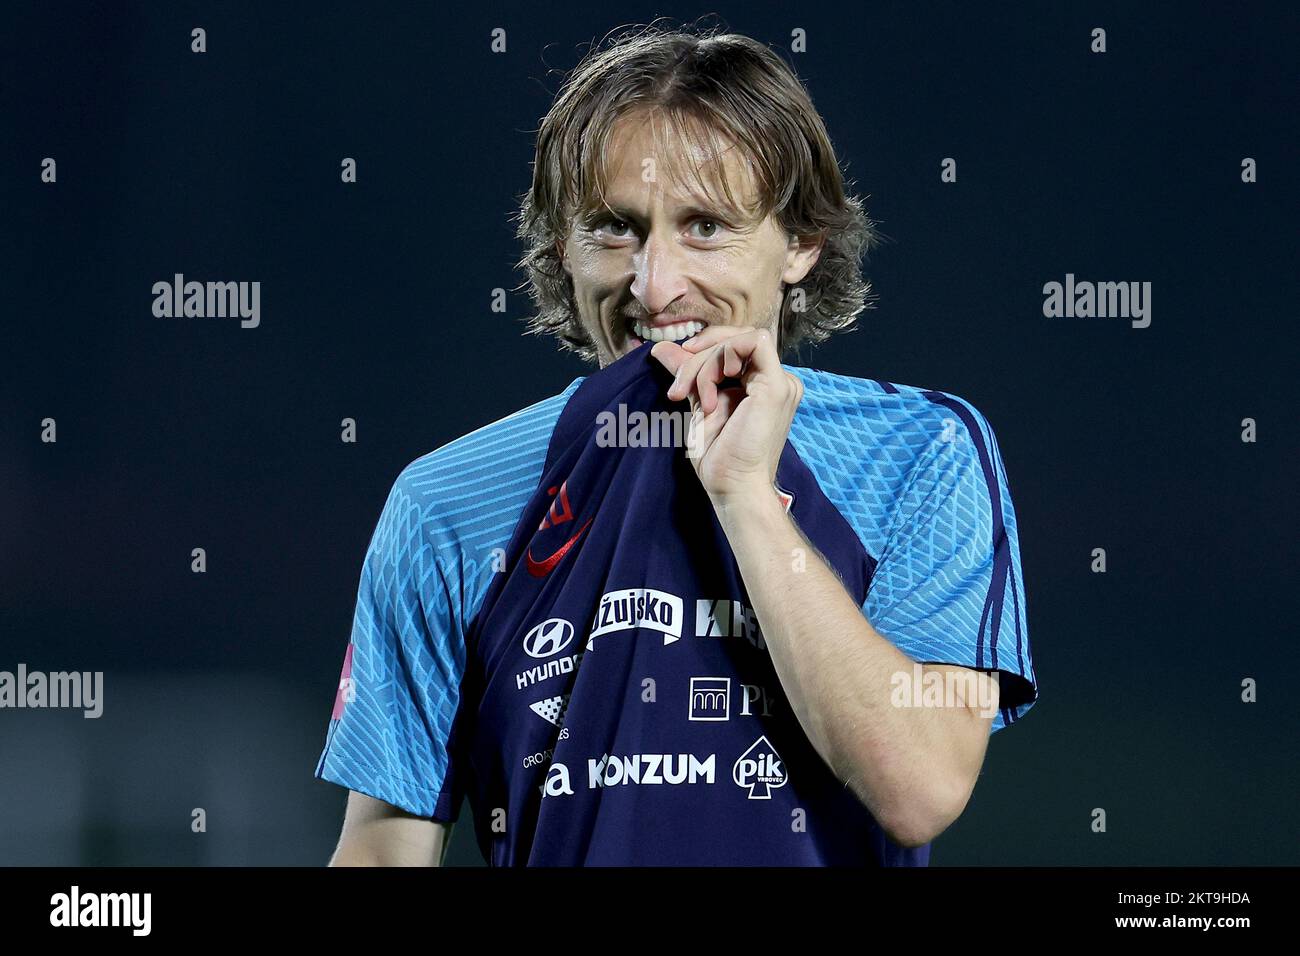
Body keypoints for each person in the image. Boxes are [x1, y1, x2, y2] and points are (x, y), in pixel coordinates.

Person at [315, 23, 1037, 866]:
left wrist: (743, 497)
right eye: (615, 229)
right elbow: (381, 852)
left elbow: (919, 788)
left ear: (802, 243)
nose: (655, 287)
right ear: (561, 248)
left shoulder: (920, 453)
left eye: (705, 227)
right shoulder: (447, 502)